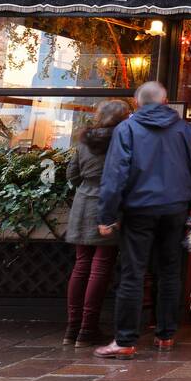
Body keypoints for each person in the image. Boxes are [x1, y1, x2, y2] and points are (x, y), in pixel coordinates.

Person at [93, 81, 191, 358]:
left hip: (139, 209)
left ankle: (125, 340)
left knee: (133, 273)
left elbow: (115, 175)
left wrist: (107, 215)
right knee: (170, 271)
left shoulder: (127, 129)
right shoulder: (184, 129)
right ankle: (166, 335)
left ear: (137, 102)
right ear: (165, 100)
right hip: (175, 208)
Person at [62, 99, 131, 347]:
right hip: (110, 205)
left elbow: (72, 174)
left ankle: (72, 329)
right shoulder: (123, 140)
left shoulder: (84, 139)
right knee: (101, 266)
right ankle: (87, 328)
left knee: (81, 265)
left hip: (83, 202)